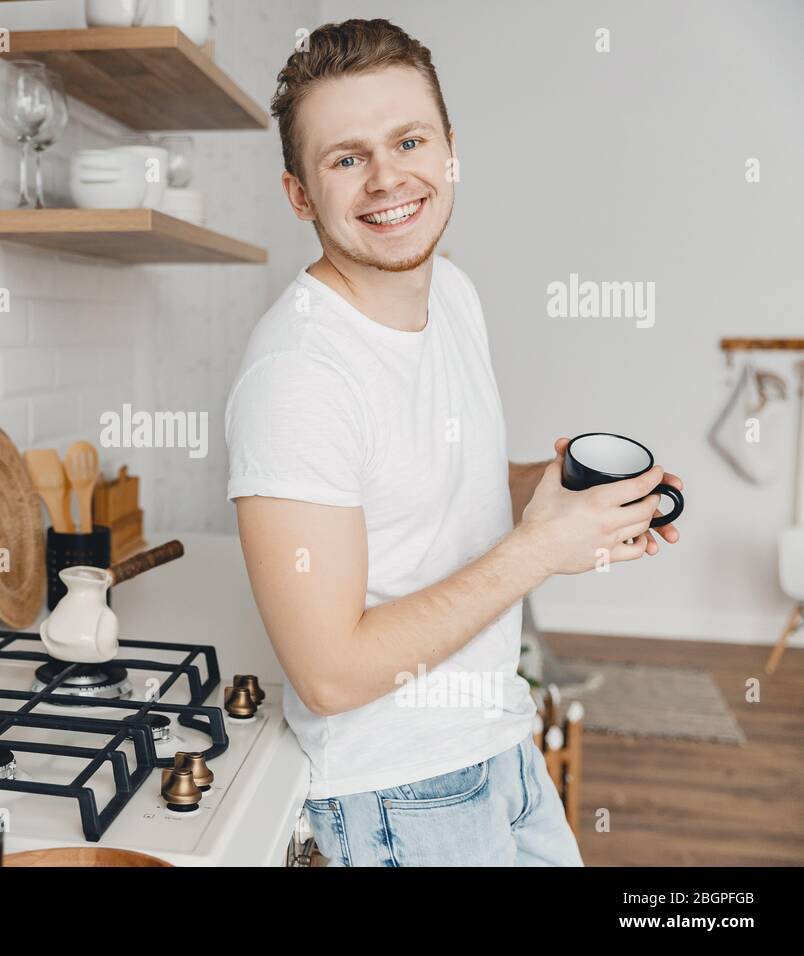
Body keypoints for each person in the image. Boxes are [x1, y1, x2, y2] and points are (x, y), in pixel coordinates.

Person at [224, 18, 683, 866]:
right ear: (299, 194)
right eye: (346, 157)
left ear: (449, 151)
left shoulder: (454, 294)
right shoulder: (296, 376)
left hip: (497, 743)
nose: (387, 177)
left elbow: (439, 488)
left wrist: (560, 496)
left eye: (408, 140)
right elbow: (328, 671)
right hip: (398, 793)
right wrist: (540, 551)